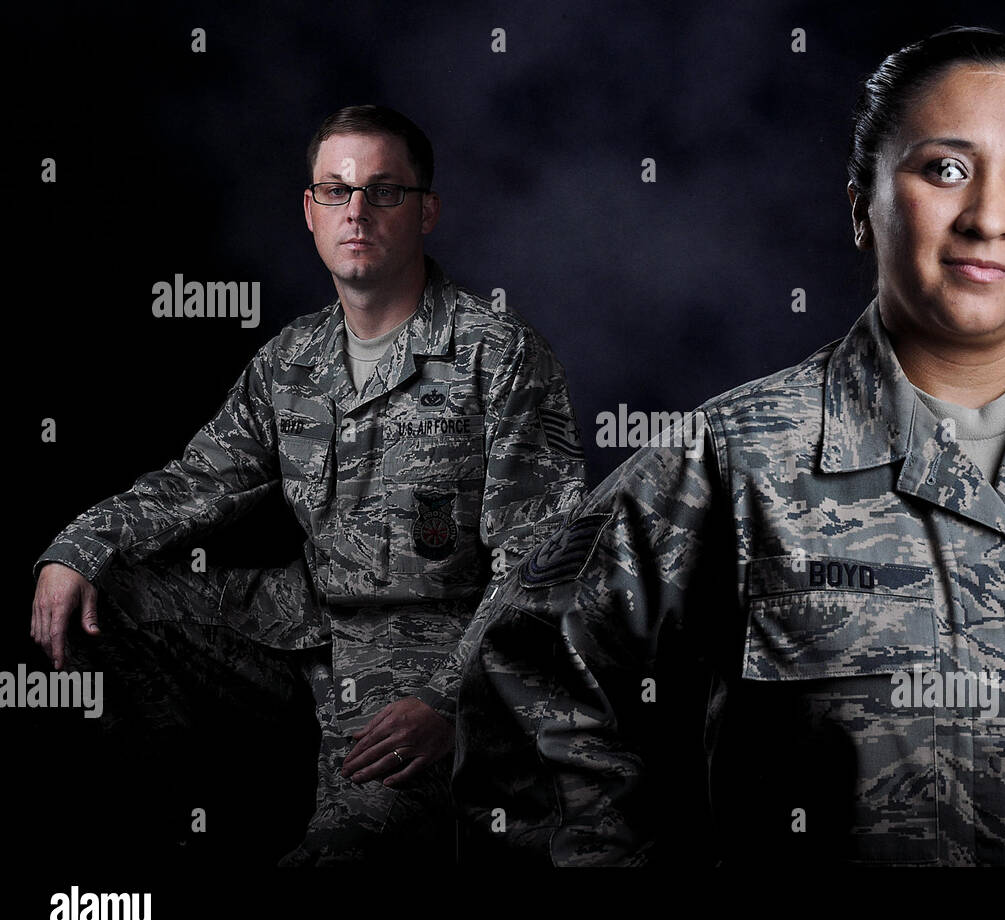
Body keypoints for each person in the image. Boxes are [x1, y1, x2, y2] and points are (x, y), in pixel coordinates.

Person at [449, 27, 1005, 865]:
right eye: (945, 169)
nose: (988, 218)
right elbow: (528, 683)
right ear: (862, 205)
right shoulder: (731, 463)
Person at [29, 104, 587, 865]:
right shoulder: (293, 359)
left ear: (426, 211)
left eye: (384, 192)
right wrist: (75, 546)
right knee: (96, 600)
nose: (356, 211)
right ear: (310, 210)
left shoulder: (499, 355)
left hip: (427, 651)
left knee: (344, 856)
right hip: (306, 620)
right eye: (336, 190)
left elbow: (541, 563)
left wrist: (451, 699)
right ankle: (169, 814)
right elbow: (197, 481)